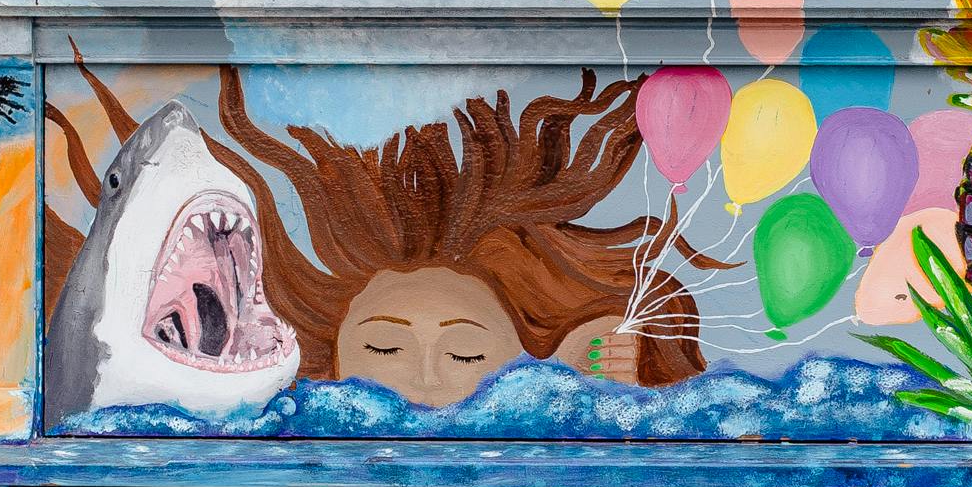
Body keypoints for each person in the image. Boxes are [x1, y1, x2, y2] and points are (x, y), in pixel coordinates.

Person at [207, 65, 727, 410]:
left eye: (467, 356)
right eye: (385, 348)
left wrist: (594, 387)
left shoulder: (546, 395)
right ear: (332, 358)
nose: (427, 382)